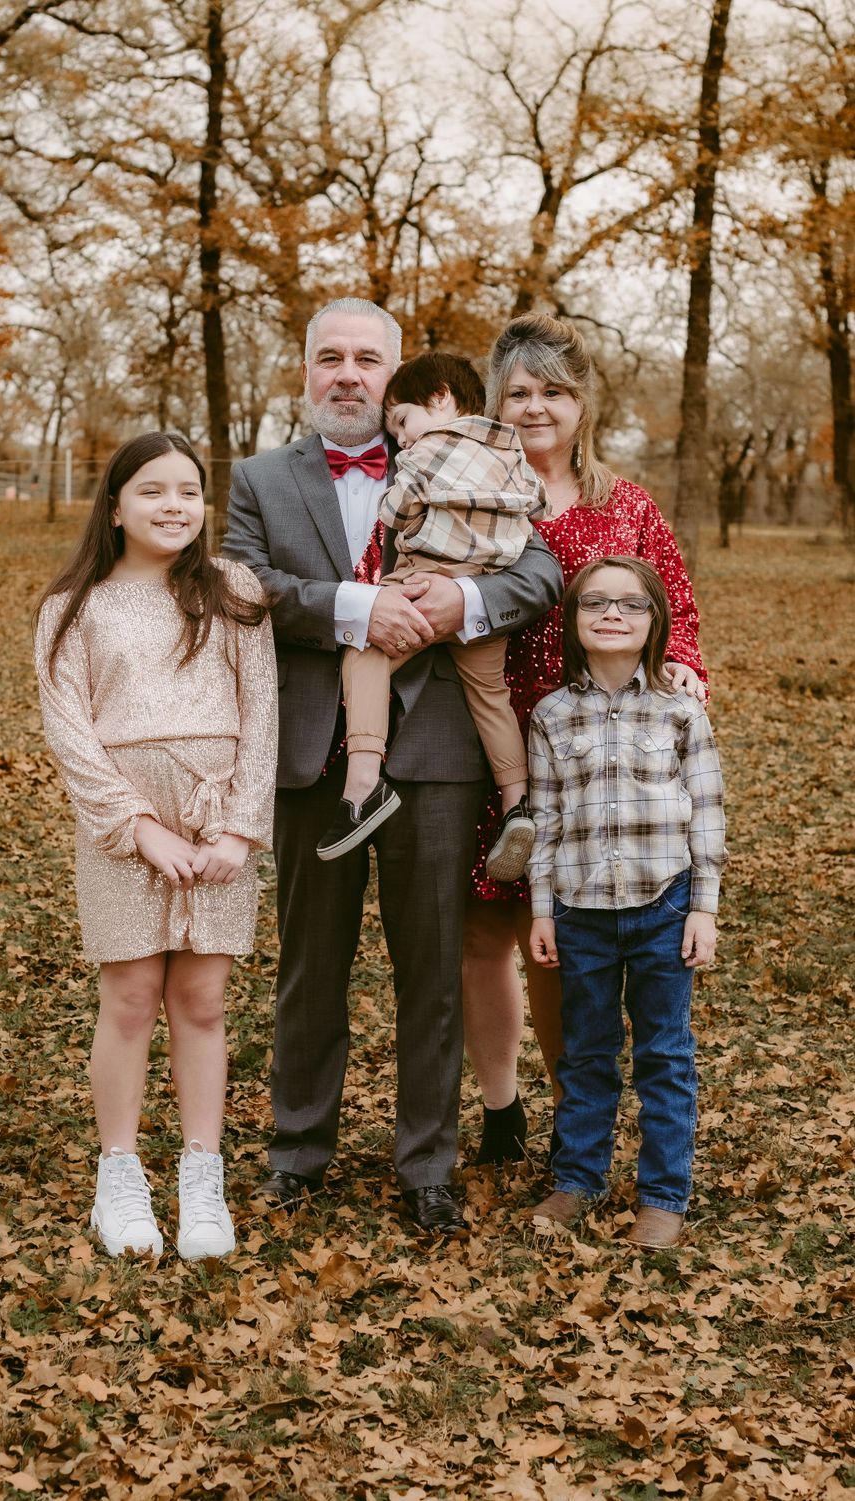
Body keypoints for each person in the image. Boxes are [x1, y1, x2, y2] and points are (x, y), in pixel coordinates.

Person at [223, 297, 563, 1234]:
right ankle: (297, 1152)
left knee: (432, 972)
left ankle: (427, 1166)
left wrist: (463, 601)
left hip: (438, 753)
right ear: (304, 371)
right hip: (311, 759)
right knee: (309, 966)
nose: (347, 374)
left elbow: (536, 574)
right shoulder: (259, 478)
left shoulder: (467, 454)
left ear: (393, 373)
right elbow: (247, 582)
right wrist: (353, 609)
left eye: (366, 359)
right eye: (329, 357)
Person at [462, 312, 709, 1169]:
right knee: (490, 932)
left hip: (601, 748)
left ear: (581, 402)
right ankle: (504, 1107)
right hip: (491, 738)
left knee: (571, 933)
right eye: (518, 392)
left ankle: (582, 1114)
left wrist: (683, 667)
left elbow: (673, 605)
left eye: (553, 392)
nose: (535, 408)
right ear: (497, 401)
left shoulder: (623, 503)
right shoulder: (472, 489)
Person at [33, 431, 276, 1261]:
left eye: (188, 491)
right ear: (115, 505)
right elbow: (69, 733)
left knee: (203, 1000)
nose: (174, 506)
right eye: (152, 490)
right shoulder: (76, 606)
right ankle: (120, 1175)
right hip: (123, 822)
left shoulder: (233, 590)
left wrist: (241, 827)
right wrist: (136, 826)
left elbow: (263, 713)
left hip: (216, 821)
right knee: (132, 997)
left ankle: (202, 1177)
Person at [524, 557, 725, 1248]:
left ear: (654, 622)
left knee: (665, 1052)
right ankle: (578, 1178)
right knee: (586, 1051)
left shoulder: (678, 707)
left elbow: (707, 811)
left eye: (631, 604)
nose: (612, 613)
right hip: (581, 911)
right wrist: (542, 910)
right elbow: (543, 820)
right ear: (573, 622)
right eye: (595, 603)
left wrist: (704, 905)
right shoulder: (551, 714)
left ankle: (664, 1194)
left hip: (664, 906)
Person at [316, 350, 547, 881]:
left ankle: (363, 781)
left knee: (365, 652)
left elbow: (399, 510)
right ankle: (518, 801)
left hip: (424, 576)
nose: (401, 438)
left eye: (402, 421)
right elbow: (534, 505)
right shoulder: (509, 447)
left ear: (440, 399)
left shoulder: (427, 451)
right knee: (492, 698)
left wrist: (399, 502)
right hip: (484, 588)